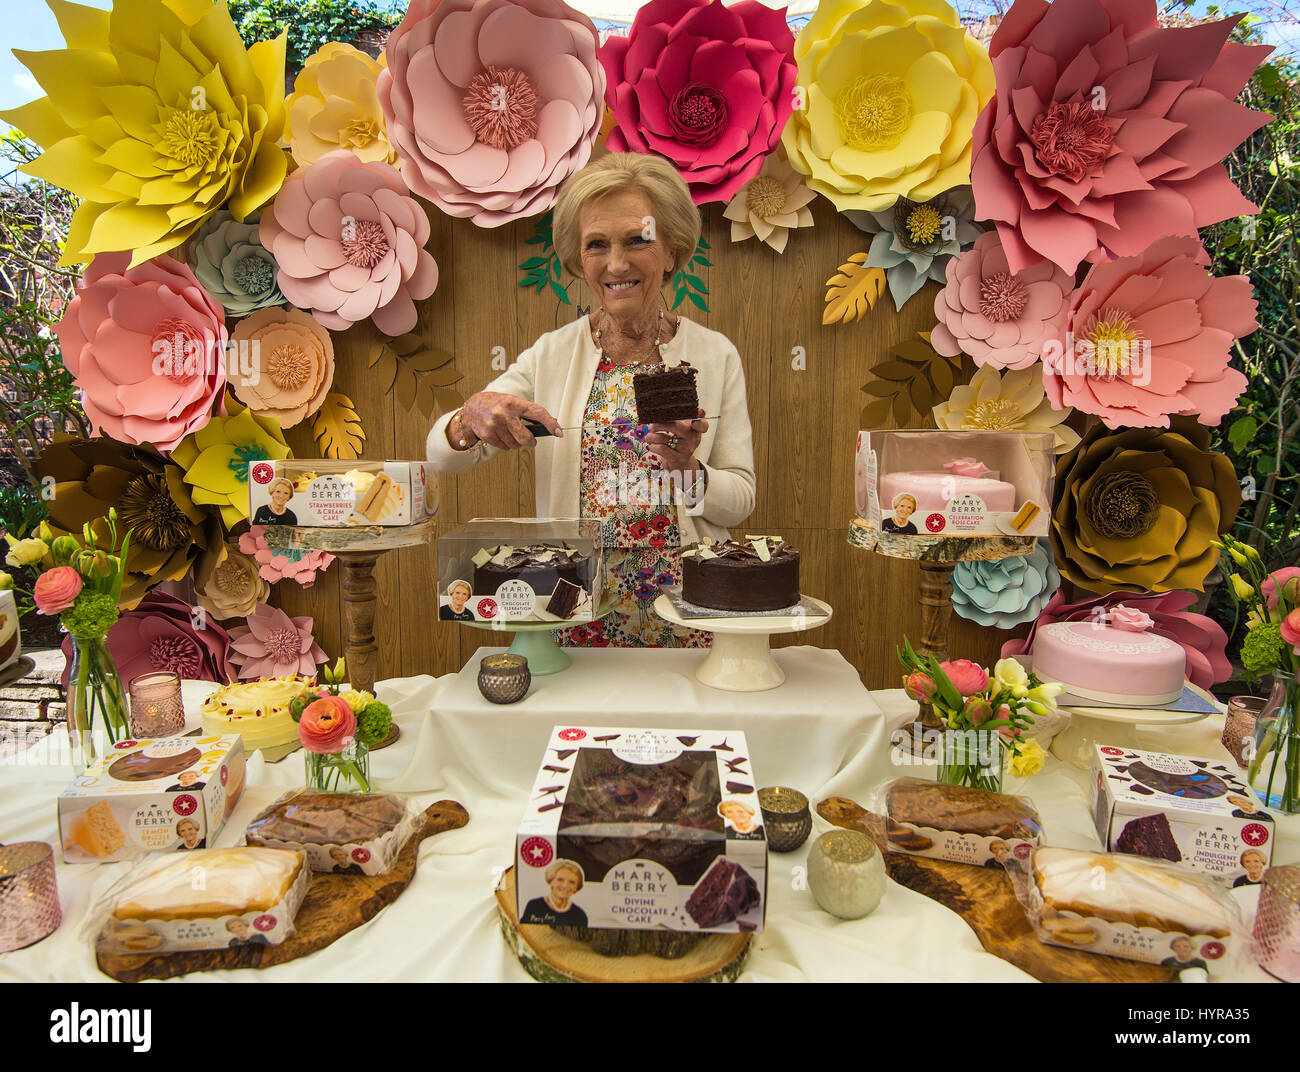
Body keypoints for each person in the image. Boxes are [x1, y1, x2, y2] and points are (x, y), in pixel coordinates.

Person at [427, 153, 756, 647]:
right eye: (596, 245)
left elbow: (740, 504)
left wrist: (690, 471)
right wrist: (470, 418)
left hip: (689, 608)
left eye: (637, 240)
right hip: (576, 606)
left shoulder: (714, 355)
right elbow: (442, 458)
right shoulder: (552, 355)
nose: (616, 263)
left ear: (671, 252)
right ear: (579, 261)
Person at [520, 859, 588, 926]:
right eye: (560, 880)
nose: (565, 886)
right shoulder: (534, 906)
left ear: (576, 888)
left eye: (572, 882)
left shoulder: (580, 916)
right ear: (551, 881)